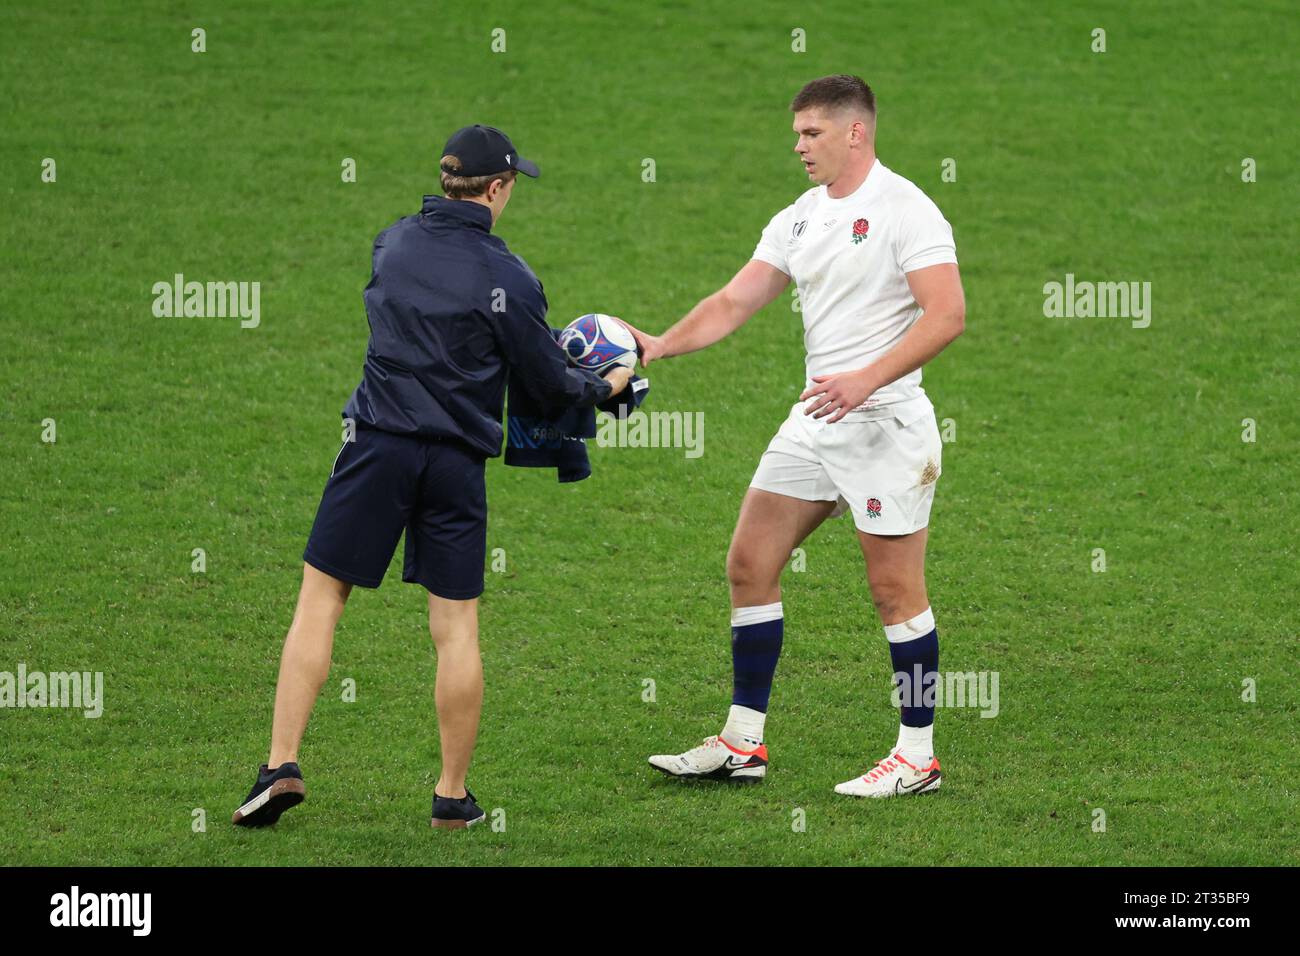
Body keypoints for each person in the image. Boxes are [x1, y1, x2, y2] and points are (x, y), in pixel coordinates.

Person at [232, 124, 633, 829]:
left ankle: (281, 764)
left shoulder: (393, 244)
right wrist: (607, 388)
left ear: (448, 179)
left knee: (321, 597)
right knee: (455, 628)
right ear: (499, 187)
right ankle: (451, 796)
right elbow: (545, 379)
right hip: (454, 464)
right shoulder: (509, 276)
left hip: (375, 447)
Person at [625, 75, 966, 797]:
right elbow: (732, 301)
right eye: (797, 133)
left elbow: (947, 315)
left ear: (855, 132)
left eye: (812, 133)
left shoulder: (908, 211)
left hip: (885, 424)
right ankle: (742, 743)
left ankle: (917, 757)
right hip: (816, 417)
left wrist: (866, 378)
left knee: (893, 590)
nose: (799, 146)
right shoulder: (800, 218)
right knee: (750, 562)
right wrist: (658, 346)